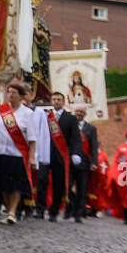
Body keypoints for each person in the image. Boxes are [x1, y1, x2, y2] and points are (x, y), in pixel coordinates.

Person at [0, 80, 38, 224]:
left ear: (21, 96)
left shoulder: (28, 114)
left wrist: (32, 157)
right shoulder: (1, 111)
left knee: (16, 185)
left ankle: (12, 212)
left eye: (14, 93)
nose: (10, 95)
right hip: (0, 153)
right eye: (9, 92)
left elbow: (32, 139)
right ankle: (9, 209)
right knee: (3, 186)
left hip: (17, 154)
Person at [41, 92, 74, 221]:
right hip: (45, 153)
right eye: (54, 99)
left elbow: (74, 138)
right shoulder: (45, 116)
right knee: (42, 180)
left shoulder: (70, 118)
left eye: (59, 100)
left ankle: (53, 211)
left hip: (61, 156)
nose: (56, 102)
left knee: (58, 184)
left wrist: (73, 153)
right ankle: (40, 208)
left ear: (63, 102)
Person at [73, 106, 100, 220]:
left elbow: (94, 146)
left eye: (81, 112)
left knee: (82, 188)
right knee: (69, 186)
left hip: (84, 162)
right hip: (71, 161)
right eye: (77, 111)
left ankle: (79, 213)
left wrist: (94, 162)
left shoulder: (91, 128)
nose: (78, 113)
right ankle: (71, 209)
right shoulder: (71, 125)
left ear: (85, 114)